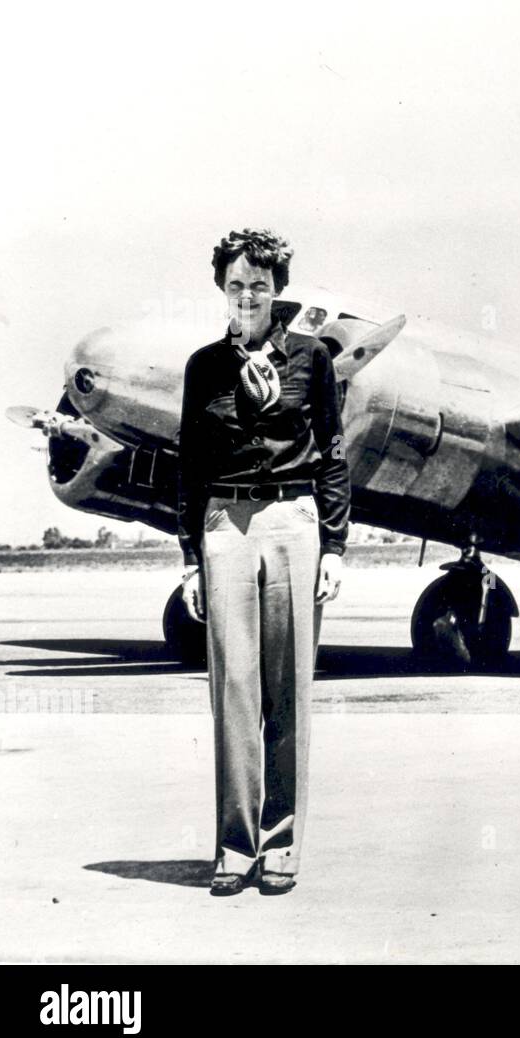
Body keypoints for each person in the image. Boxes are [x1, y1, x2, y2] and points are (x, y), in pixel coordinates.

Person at [176, 227, 351, 896]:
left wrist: (334, 546)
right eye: (235, 285)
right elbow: (190, 468)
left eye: (259, 284)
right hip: (226, 522)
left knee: (288, 693)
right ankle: (234, 847)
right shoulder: (203, 368)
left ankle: (280, 847)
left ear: (277, 289)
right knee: (233, 694)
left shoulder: (312, 359)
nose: (246, 295)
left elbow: (333, 456)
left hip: (293, 521)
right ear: (221, 289)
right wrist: (192, 557)